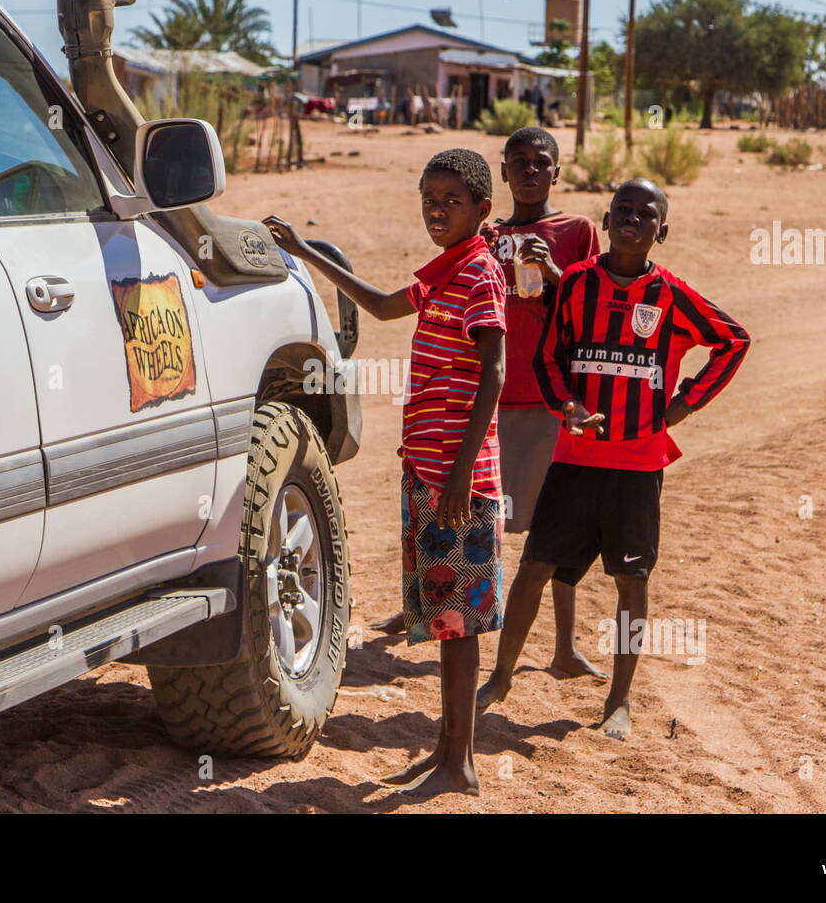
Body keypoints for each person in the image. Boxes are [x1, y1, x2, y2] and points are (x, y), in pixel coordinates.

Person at [264, 148, 507, 796]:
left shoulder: (480, 275)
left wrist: (459, 476)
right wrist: (307, 254)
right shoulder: (443, 272)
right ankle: (446, 751)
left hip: (461, 480)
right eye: (429, 198)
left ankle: (460, 763)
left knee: (459, 625)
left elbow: (495, 372)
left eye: (451, 201)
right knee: (443, 619)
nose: (436, 210)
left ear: (483, 210)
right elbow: (379, 306)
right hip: (428, 472)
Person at [476, 178, 749, 740]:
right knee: (534, 567)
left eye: (644, 214)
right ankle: (501, 676)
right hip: (574, 459)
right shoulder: (575, 284)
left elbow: (733, 340)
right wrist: (568, 407)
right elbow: (550, 359)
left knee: (632, 580)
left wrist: (683, 405)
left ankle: (618, 701)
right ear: (604, 220)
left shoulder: (671, 296)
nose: (632, 218)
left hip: (639, 465)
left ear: (661, 230)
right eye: (621, 209)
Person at [372, 127, 604, 678]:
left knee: (555, 527)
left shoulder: (575, 230)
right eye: (518, 161)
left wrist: (551, 273)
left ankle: (562, 646)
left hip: (550, 396)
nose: (529, 170)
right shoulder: (485, 238)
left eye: (540, 162)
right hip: (492, 404)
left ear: (557, 170)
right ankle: (431, 608)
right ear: (501, 175)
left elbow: (589, 309)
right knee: (486, 524)